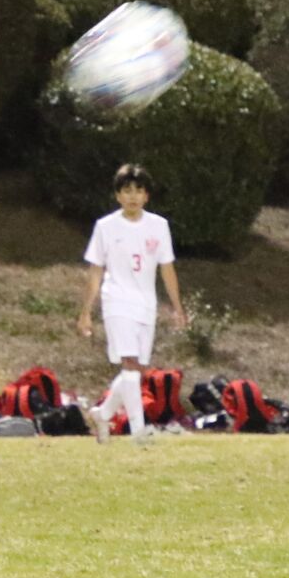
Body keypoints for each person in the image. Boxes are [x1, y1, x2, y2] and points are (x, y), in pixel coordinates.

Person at [77, 164, 187, 444]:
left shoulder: (158, 226)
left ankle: (103, 413)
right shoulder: (105, 227)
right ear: (117, 195)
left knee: (135, 370)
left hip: (145, 305)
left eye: (138, 191)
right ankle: (139, 432)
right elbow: (96, 272)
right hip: (116, 302)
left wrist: (177, 307)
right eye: (127, 191)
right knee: (128, 363)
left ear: (147, 196)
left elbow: (167, 269)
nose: (133, 196)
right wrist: (86, 312)